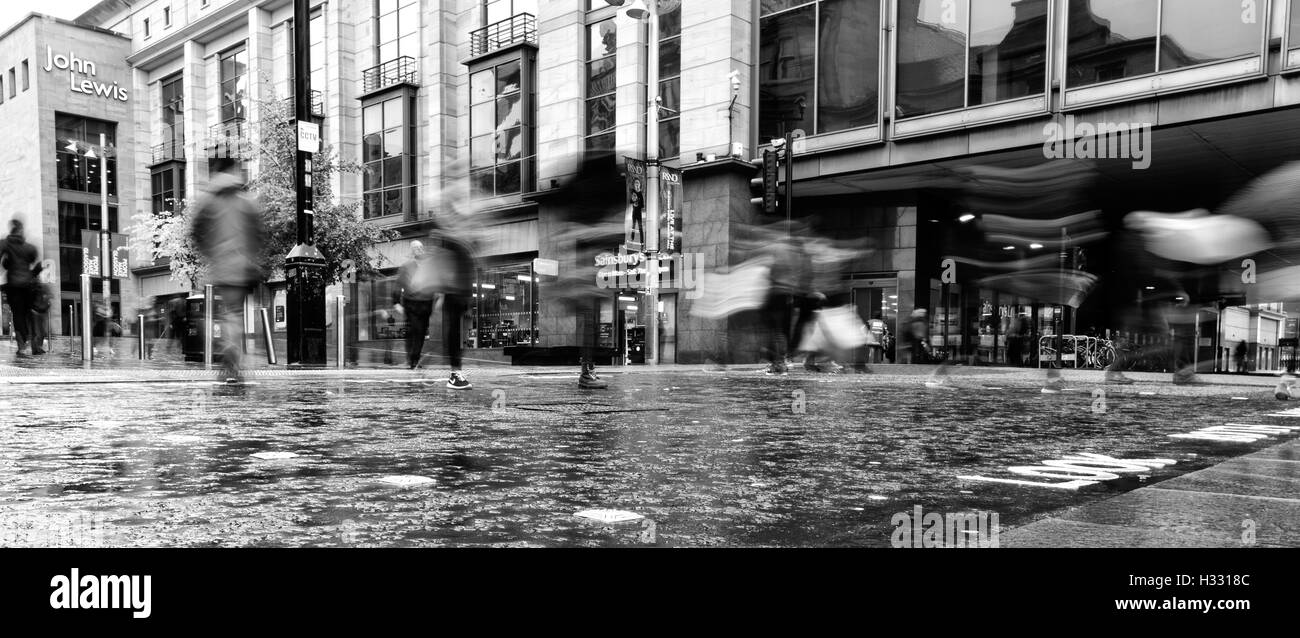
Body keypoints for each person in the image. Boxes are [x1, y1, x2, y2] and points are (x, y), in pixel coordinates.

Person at [192, 165, 266, 382]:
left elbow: (196, 231)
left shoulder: (208, 201)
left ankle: (228, 346)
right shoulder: (247, 202)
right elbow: (259, 233)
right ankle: (234, 348)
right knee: (235, 312)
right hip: (242, 265)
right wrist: (252, 256)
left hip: (220, 264)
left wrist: (210, 253)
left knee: (219, 313)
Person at [426, 229, 476, 390]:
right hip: (452, 295)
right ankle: (454, 374)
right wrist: (440, 293)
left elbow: (467, 273)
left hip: (458, 296)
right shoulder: (453, 246)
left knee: (455, 335)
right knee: (453, 334)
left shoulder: (461, 249)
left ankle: (454, 372)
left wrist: (467, 301)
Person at [0, 219, 44, 356]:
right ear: (21, 230)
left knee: (18, 316)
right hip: (28, 285)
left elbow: (4, 261)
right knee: (30, 314)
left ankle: (22, 347)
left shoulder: (5, 244)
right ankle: (36, 346)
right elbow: (33, 258)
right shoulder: (28, 247)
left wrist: (7, 264)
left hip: (13, 285)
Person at [393, 240, 436, 370]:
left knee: (420, 332)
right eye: (415, 247)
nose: (419, 249)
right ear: (412, 251)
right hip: (411, 304)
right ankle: (413, 360)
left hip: (426, 304)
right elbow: (398, 284)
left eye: (420, 247)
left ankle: (414, 359)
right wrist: (396, 302)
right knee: (415, 331)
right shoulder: (406, 266)